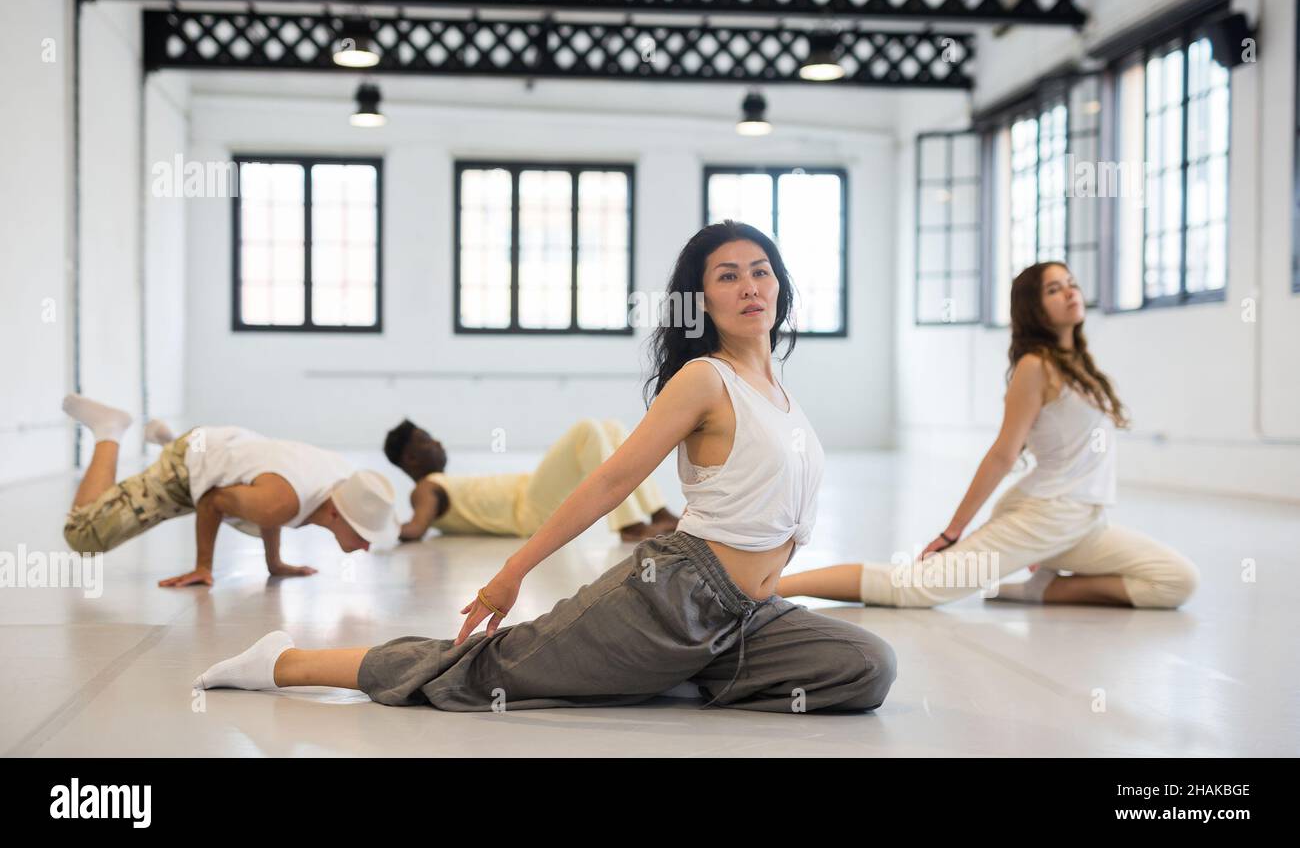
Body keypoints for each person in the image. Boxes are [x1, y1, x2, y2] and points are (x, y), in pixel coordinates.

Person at [194, 221, 896, 713]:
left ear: (781, 285)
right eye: (728, 275)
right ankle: (282, 663)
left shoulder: (783, 392)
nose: (750, 285)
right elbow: (611, 481)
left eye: (761, 270)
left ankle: (652, 676)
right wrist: (513, 570)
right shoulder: (705, 380)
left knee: (865, 667)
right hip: (675, 596)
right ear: (702, 299)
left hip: (749, 617)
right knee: (487, 673)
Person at [778, 261, 1199, 610]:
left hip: (1085, 521)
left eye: (1071, 283)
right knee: (913, 587)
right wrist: (952, 532)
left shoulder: (1080, 367)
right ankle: (772, 590)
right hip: (1045, 515)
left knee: (1175, 581)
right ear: (1034, 306)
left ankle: (1040, 590)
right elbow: (1003, 454)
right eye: (1055, 289)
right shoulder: (1036, 366)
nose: (1071, 292)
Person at [60, 398, 398, 587]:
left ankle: (171, 437)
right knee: (83, 536)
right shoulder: (278, 502)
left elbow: (278, 502)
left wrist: (274, 563)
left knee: (250, 503)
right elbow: (213, 501)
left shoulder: (340, 481)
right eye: (363, 534)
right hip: (187, 467)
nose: (367, 546)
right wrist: (203, 566)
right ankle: (110, 429)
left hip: (236, 448)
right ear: (337, 513)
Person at [384, 418, 678, 544]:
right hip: (528, 511)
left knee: (611, 428)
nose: (437, 442)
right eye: (426, 441)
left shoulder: (437, 483)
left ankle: (657, 511)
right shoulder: (425, 489)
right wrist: (376, 525)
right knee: (587, 431)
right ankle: (629, 525)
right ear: (410, 459)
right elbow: (416, 527)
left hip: (532, 496)